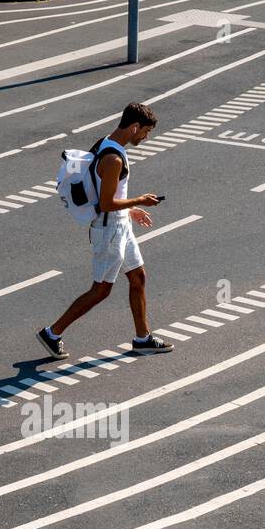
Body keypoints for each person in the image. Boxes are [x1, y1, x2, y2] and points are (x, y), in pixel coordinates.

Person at [37, 102, 173, 361]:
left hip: (120, 223)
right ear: (134, 127)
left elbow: (108, 193)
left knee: (138, 277)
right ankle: (52, 333)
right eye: (145, 131)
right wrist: (139, 201)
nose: (146, 137)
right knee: (101, 290)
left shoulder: (106, 144)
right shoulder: (113, 158)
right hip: (109, 229)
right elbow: (106, 202)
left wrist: (130, 212)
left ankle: (142, 338)